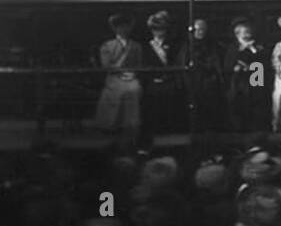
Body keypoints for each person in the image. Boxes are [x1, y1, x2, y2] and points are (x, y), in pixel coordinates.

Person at [95, 13, 143, 142]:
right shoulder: (107, 46)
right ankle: (110, 126)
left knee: (134, 89)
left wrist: (133, 73)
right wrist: (119, 71)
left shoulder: (136, 46)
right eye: (120, 27)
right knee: (115, 91)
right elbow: (106, 65)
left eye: (126, 26)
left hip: (131, 77)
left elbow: (139, 65)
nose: (123, 29)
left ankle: (131, 126)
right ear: (115, 29)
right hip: (114, 77)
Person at [177, 18, 226, 132]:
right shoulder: (186, 47)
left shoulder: (213, 46)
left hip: (210, 84)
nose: (200, 32)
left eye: (203, 29)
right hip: (192, 84)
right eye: (198, 29)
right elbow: (182, 67)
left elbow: (217, 64)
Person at [224, 18, 269, 135]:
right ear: (238, 33)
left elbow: (262, 66)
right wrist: (237, 68)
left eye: (249, 31)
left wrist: (253, 66)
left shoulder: (258, 47)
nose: (248, 34)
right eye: (245, 32)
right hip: (238, 84)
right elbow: (228, 66)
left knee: (257, 106)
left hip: (255, 81)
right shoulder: (233, 48)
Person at [142, 10, 182, 140]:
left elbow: (178, 63)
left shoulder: (175, 45)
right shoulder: (146, 47)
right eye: (155, 29)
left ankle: (171, 133)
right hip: (152, 83)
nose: (158, 32)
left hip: (171, 82)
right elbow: (143, 66)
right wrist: (153, 78)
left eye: (161, 29)